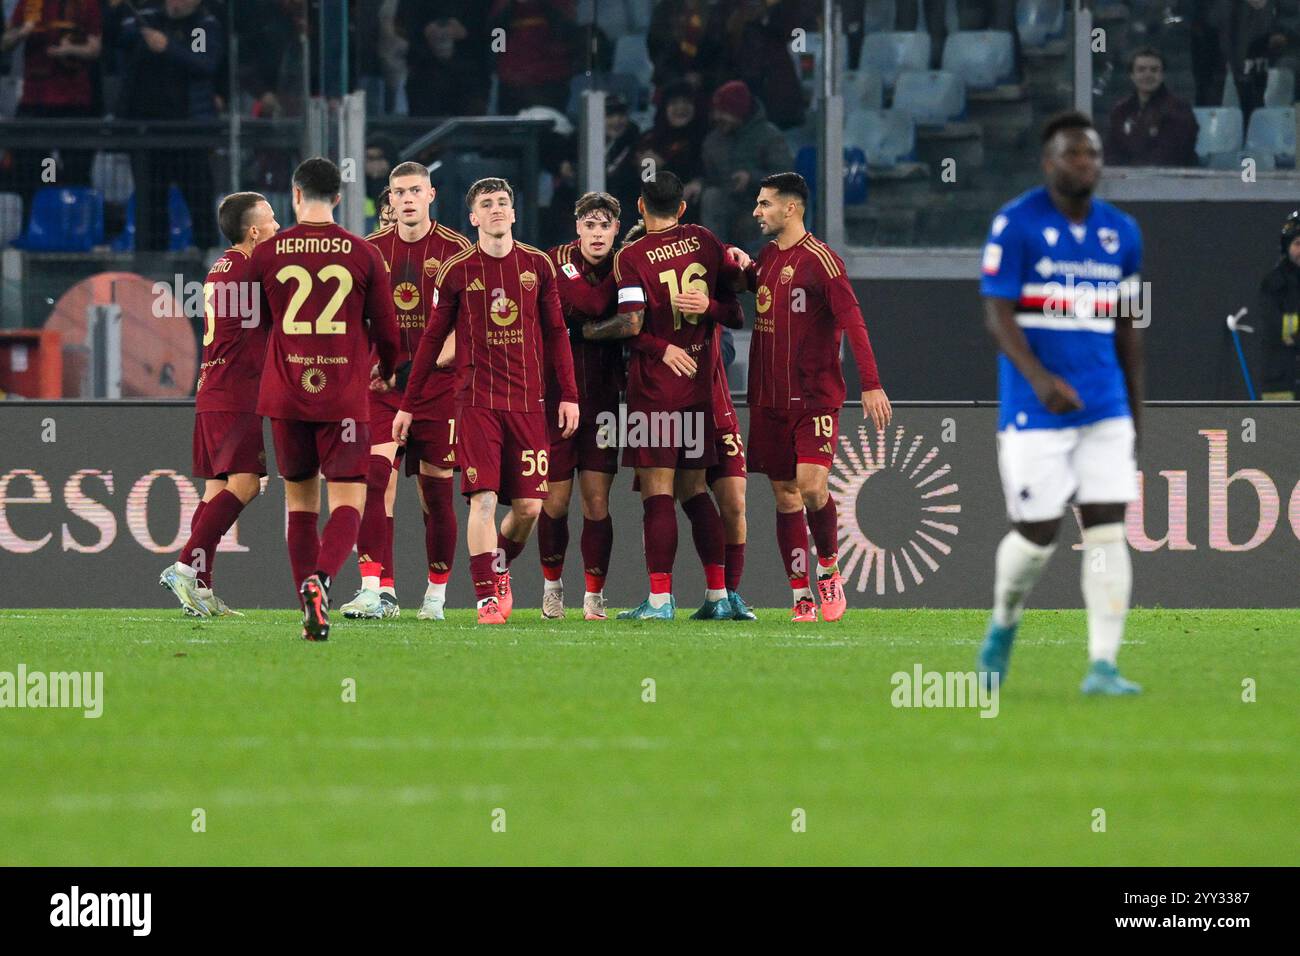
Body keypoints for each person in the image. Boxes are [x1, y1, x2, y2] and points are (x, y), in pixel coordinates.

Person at [976, 112, 1145, 696]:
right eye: (1074, 154)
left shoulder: (1122, 233)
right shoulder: (1016, 224)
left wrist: (1133, 413)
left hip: (1104, 405)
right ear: (1049, 163)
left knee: (1107, 530)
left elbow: (1129, 328)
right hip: (1033, 408)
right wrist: (1040, 379)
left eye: (1093, 154)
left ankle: (1103, 665)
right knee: (1037, 534)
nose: (1086, 164)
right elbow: (998, 316)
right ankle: (1003, 623)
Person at [393, 177, 580, 625]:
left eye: (503, 202)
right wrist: (408, 404)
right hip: (475, 403)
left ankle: (498, 569)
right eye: (486, 204)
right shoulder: (456, 270)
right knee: (483, 500)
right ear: (473, 217)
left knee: (530, 508)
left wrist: (569, 395)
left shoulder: (539, 265)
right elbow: (433, 339)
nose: (497, 209)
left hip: (529, 404)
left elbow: (556, 335)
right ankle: (486, 600)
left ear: (514, 213)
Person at [248, 157, 400, 641]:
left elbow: (254, 323)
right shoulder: (362, 253)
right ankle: (324, 579)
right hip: (344, 397)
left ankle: (308, 611)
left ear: (295, 195)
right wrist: (387, 369)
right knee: (349, 500)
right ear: (339, 198)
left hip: (287, 395)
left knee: (299, 505)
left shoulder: (268, 253)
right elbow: (389, 330)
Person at [587, 171, 742, 620]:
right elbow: (733, 310)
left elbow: (632, 325)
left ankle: (659, 600)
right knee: (695, 492)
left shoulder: (630, 256)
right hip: (698, 390)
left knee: (657, 492)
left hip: (654, 390)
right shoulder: (705, 241)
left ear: (638, 206)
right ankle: (717, 596)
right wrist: (708, 308)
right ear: (681, 208)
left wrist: (657, 345)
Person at [742, 172, 890, 622]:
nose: (756, 211)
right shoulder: (766, 258)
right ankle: (799, 595)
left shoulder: (823, 262)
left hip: (814, 399)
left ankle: (827, 567)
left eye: (764, 203)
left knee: (810, 487)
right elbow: (748, 281)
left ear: (791, 208)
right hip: (769, 401)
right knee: (784, 496)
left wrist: (871, 382)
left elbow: (854, 322)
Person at [339, 161, 472, 622]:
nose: (408, 198)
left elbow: (464, 330)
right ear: (389, 201)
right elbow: (355, 324)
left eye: (416, 190)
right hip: (384, 387)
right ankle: (377, 589)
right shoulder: (369, 251)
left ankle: (435, 595)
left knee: (436, 494)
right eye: (400, 192)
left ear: (431, 195)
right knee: (375, 479)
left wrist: (412, 367)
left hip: (437, 388)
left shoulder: (458, 252)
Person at [160, 192, 280, 617]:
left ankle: (203, 590)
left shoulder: (221, 266)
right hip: (236, 393)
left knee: (215, 491)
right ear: (253, 231)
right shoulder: (254, 268)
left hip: (212, 389)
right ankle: (182, 567)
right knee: (245, 485)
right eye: (271, 220)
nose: (278, 227)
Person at [537, 192, 622, 620]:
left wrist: (583, 328)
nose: (596, 233)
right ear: (577, 228)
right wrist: (607, 320)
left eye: (604, 226)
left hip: (606, 403)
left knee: (596, 503)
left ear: (615, 230)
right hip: (556, 401)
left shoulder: (627, 262)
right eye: (589, 225)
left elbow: (609, 316)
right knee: (554, 502)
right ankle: (552, 587)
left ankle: (594, 595)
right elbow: (590, 304)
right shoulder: (555, 261)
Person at [115, 0, 224, 250]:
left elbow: (204, 63)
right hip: (149, 133)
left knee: (199, 199)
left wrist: (168, 48)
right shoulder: (149, 17)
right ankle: (152, 269)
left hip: (189, 133)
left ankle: (208, 261)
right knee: (151, 205)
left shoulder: (203, 26)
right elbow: (120, 39)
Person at [1, 0, 102, 213]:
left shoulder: (87, 4)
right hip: (34, 100)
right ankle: (31, 228)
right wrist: (21, 33)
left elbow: (95, 48)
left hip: (75, 102)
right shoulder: (29, 3)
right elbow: (5, 42)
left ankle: (76, 228)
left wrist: (70, 49)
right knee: (28, 170)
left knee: (77, 170)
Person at [700, 80, 793, 253]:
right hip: (730, 204)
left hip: (761, 204)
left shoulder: (769, 136)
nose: (718, 117)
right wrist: (699, 184)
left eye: (724, 112)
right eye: (716, 112)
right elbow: (711, 178)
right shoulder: (713, 140)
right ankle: (718, 260)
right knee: (711, 197)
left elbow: (786, 178)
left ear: (739, 112)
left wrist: (751, 178)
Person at [1104, 48, 1199, 167]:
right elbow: (1111, 152)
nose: (1148, 75)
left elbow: (1171, 154)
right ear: (1132, 75)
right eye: (1141, 70)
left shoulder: (1179, 109)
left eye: (1154, 70)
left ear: (1162, 75)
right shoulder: (1121, 111)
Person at [396, 0, 489, 117]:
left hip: (472, 76)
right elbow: (400, 24)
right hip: (424, 74)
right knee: (425, 129)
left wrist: (468, 32)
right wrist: (422, 32)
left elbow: (498, 30)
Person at [1256, 209, 1300, 399]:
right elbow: (1276, 328)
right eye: (1298, 244)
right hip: (1280, 380)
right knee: (1280, 428)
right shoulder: (1273, 283)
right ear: (1286, 246)